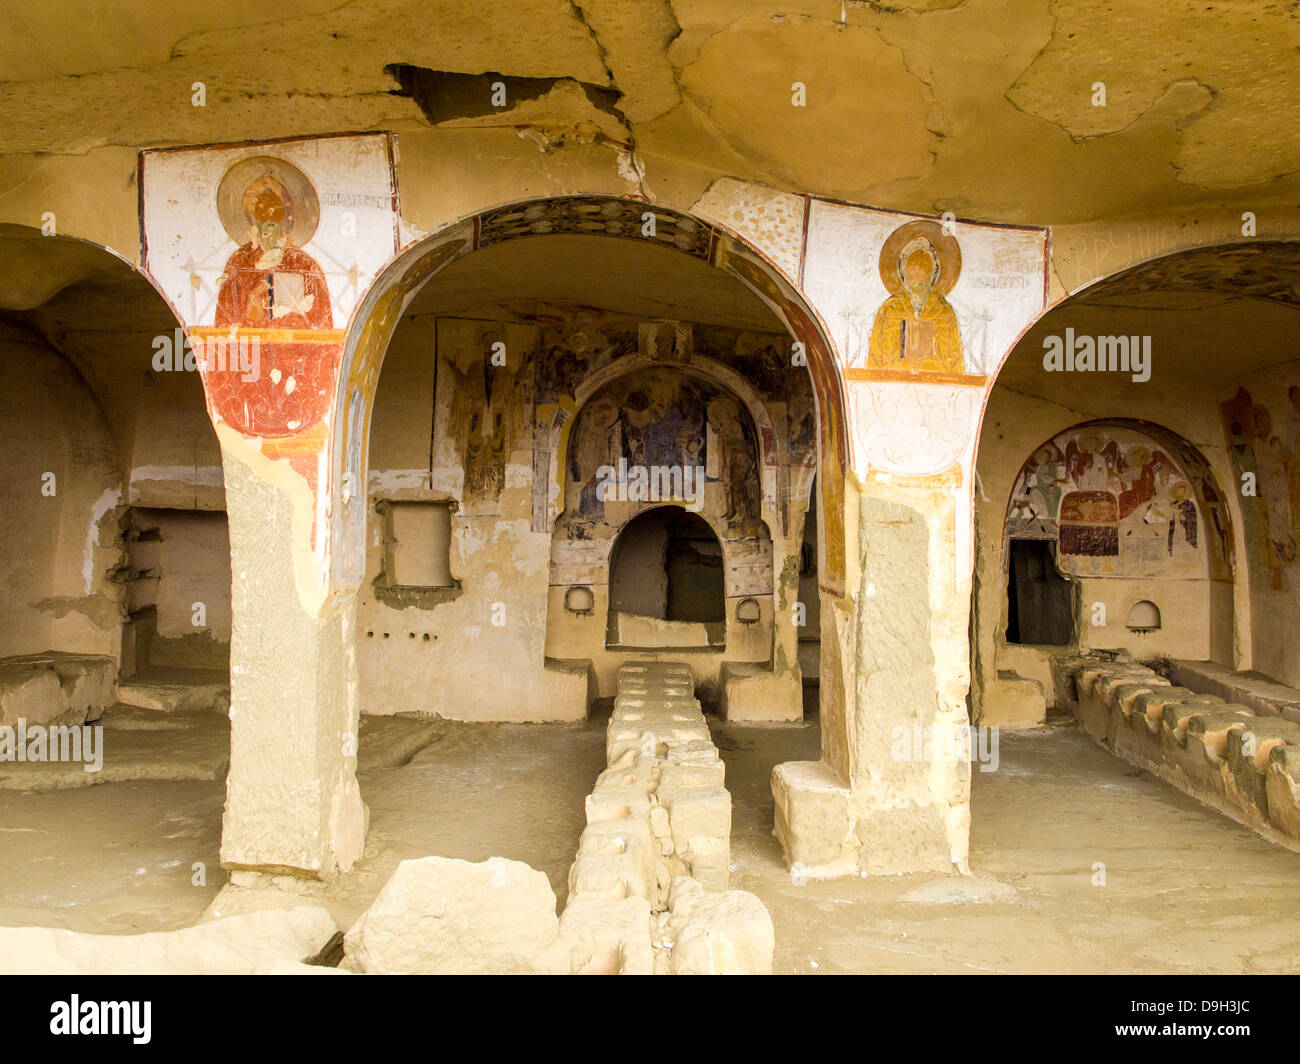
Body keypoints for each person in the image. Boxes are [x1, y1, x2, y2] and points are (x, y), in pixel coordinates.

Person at [216, 177, 332, 329]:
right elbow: (223, 322)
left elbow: (322, 325)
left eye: (276, 211)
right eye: (262, 211)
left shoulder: (305, 264)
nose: (270, 220)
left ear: (287, 218)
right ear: (252, 219)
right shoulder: (239, 262)